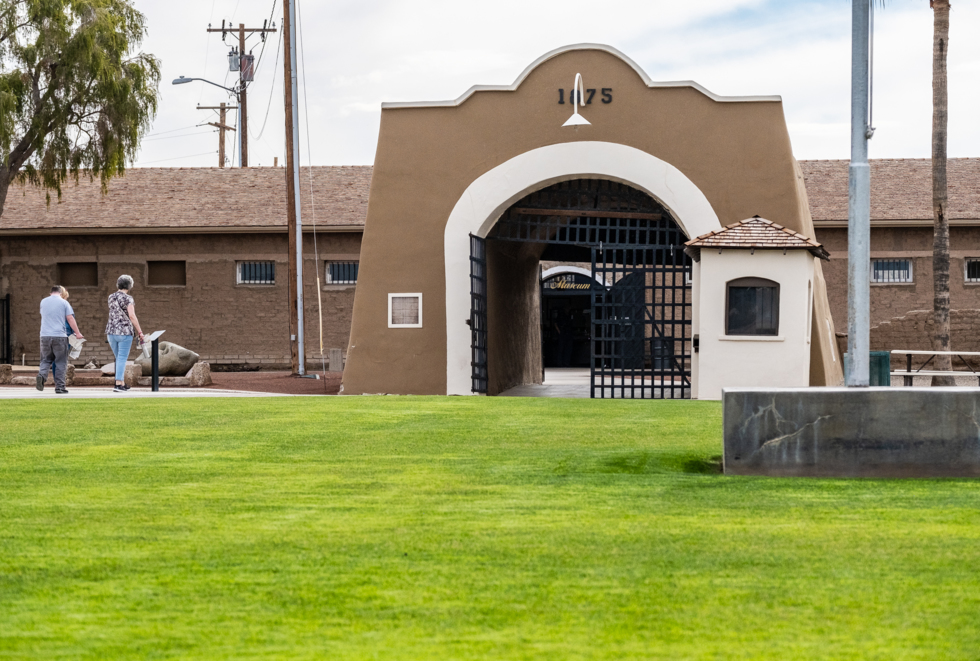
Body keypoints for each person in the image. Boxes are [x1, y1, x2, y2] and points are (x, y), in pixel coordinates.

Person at [37, 285, 85, 394]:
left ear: (51, 293)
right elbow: (70, 318)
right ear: (60, 293)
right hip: (60, 336)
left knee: (45, 359)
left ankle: (41, 376)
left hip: (44, 336)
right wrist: (77, 333)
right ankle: (60, 387)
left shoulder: (43, 302)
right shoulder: (64, 303)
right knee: (60, 362)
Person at [105, 275, 145, 393]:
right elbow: (132, 316)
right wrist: (139, 331)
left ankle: (121, 382)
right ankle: (118, 384)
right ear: (130, 285)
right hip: (124, 331)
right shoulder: (128, 298)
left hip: (111, 331)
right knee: (122, 358)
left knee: (118, 358)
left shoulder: (111, 297)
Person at [59, 287, 85, 360]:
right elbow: (70, 318)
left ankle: (56, 371)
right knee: (62, 358)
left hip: (52, 334)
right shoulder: (65, 305)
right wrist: (77, 333)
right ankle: (60, 371)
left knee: (56, 357)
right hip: (65, 333)